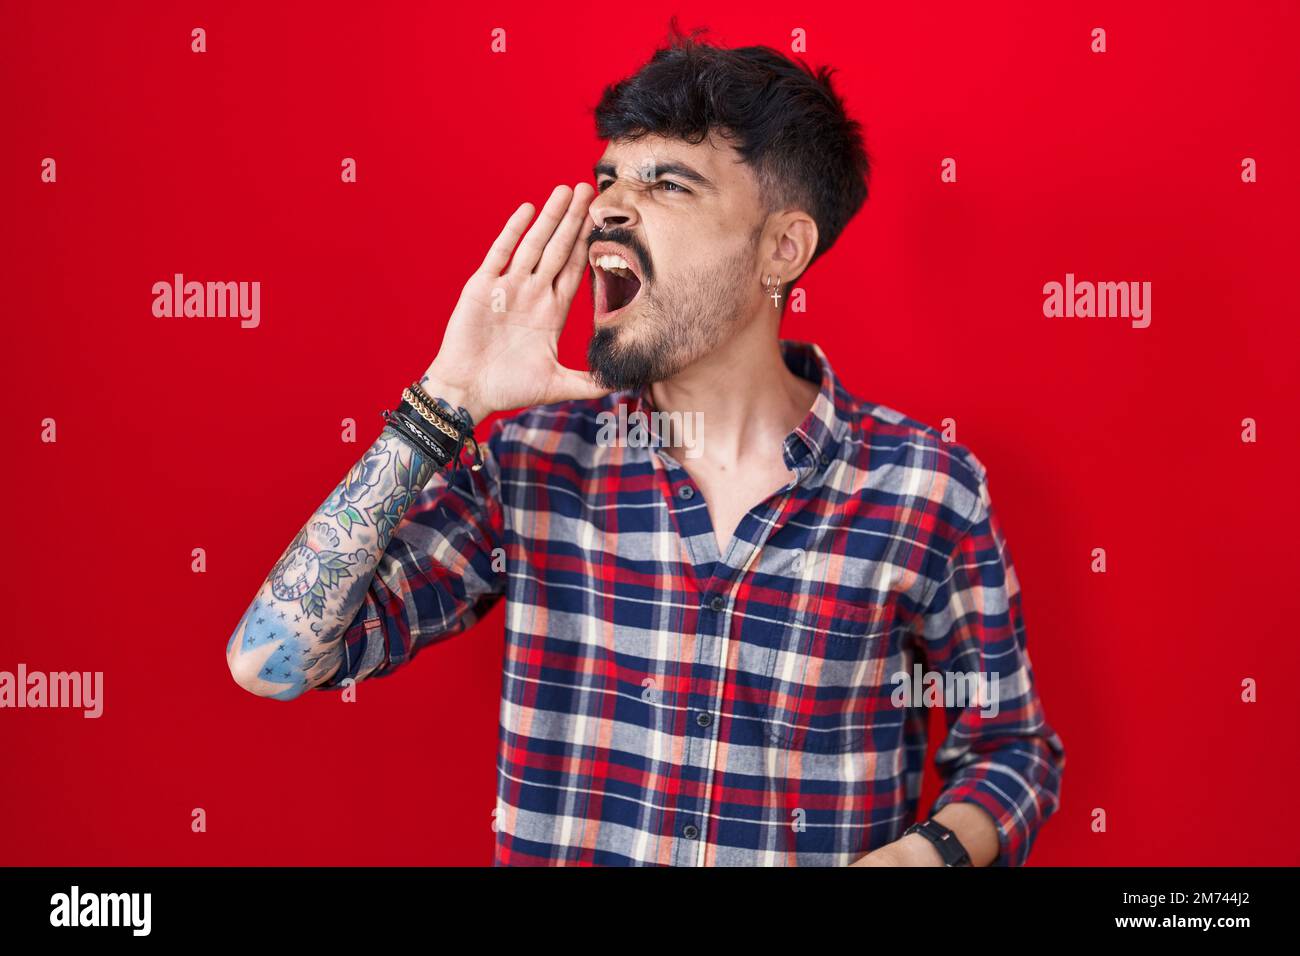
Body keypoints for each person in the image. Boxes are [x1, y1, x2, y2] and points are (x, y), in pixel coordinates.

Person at [226, 22, 1065, 867]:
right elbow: (272, 660)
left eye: (668, 184)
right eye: (608, 178)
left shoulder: (925, 489)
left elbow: (1013, 752)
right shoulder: (533, 462)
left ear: (783, 248)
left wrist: (924, 858)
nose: (609, 209)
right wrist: (443, 401)